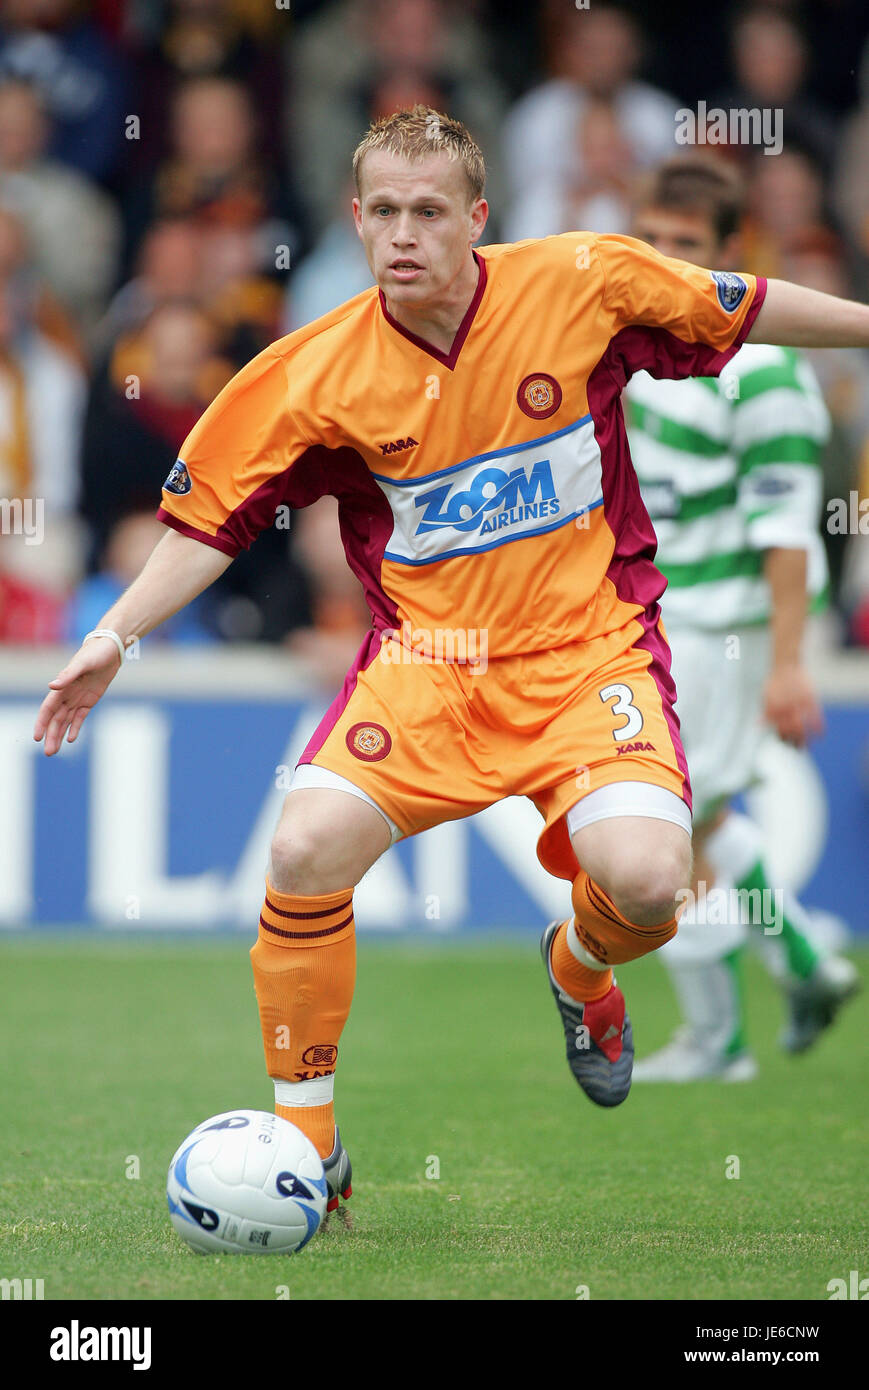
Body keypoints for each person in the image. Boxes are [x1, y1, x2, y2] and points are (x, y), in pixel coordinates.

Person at [32, 107, 869, 1217]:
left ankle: (577, 968)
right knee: (304, 843)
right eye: (382, 211)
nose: (403, 234)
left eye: (428, 211)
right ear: (356, 220)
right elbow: (206, 521)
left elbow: (750, 306)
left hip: (588, 652)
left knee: (651, 881)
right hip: (425, 666)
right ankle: (309, 1146)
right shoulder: (309, 373)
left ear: (476, 217)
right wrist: (110, 634)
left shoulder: (579, 281)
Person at [622, 156, 859, 1080]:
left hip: (721, 629)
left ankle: (717, 1040)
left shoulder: (764, 378)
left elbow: (789, 529)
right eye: (650, 238)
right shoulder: (630, 345)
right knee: (704, 818)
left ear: (731, 255)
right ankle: (805, 967)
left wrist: (789, 666)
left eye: (686, 247)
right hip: (649, 621)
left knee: (670, 826)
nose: (662, 260)